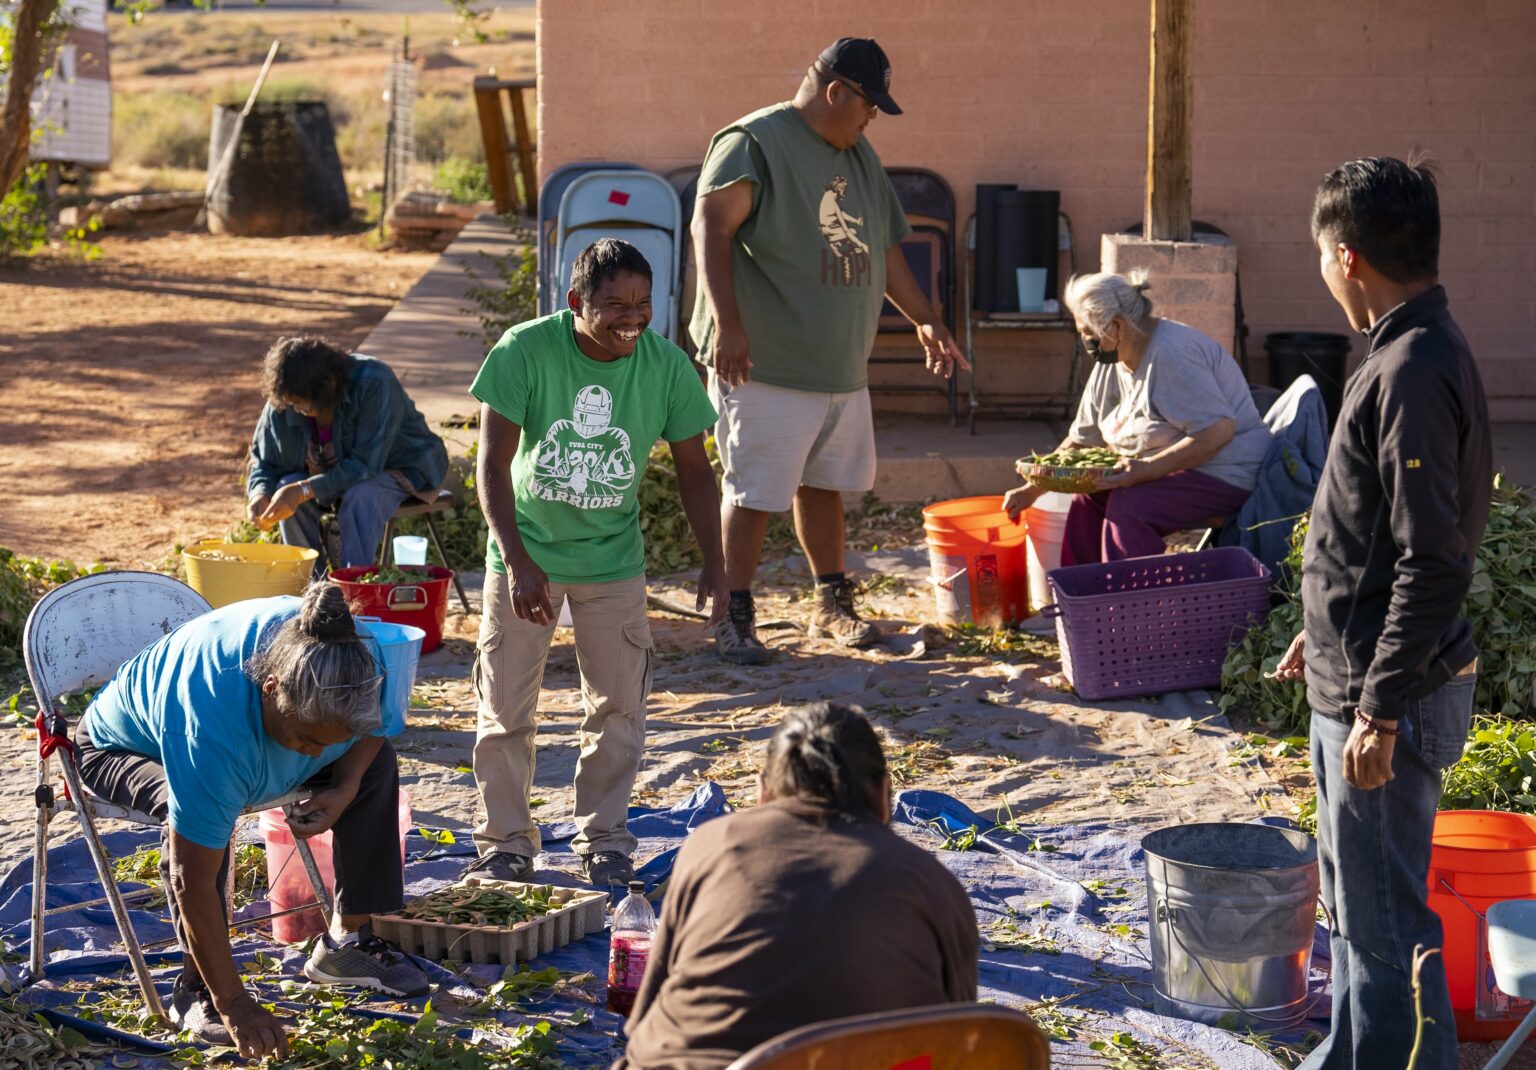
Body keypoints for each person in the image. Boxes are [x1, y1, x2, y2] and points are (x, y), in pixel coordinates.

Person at [1269, 157, 1492, 1070]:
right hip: (1359, 673)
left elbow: (1432, 559)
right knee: (1360, 906)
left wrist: (1379, 709)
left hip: (1389, 695)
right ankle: (1349, 1057)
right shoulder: (1407, 350)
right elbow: (1377, 540)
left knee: (1389, 915)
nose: (1322, 271)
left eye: (1322, 255)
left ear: (1347, 256)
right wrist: (1317, 628)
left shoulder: (1410, 368)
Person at [691, 36, 967, 665]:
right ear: (836, 90)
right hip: (764, 360)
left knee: (824, 485)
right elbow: (710, 225)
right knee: (756, 488)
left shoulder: (859, 156)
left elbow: (886, 249)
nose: (872, 119)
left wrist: (926, 319)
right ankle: (735, 613)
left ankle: (830, 603)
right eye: (869, 106)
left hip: (839, 363)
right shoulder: (754, 142)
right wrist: (729, 324)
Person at [74, 582, 428, 1061]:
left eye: (331, 740)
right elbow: (189, 878)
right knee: (200, 829)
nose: (316, 755)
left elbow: (377, 730)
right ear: (271, 689)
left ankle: (348, 941)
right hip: (122, 749)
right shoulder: (209, 728)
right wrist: (236, 1003)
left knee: (375, 767)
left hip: (242, 733)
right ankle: (197, 989)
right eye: (306, 738)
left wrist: (344, 786)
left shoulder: (357, 658)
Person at [466, 239, 724, 889]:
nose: (631, 318)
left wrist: (716, 563)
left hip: (613, 562)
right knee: (504, 711)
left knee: (618, 710)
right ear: (577, 302)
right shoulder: (524, 350)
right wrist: (519, 563)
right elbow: (492, 466)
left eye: (642, 304)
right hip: (525, 555)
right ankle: (505, 843)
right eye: (614, 305)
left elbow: (696, 472)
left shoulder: (664, 366)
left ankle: (604, 836)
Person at [615, 703, 979, 1070]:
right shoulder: (930, 880)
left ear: (762, 792)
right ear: (885, 797)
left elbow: (647, 1014)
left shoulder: (711, 845)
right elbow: (959, 1040)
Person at [1003, 272, 1271, 564]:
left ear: (1116, 326)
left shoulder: (1173, 354)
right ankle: (1082, 596)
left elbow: (1218, 431)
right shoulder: (1114, 360)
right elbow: (1081, 440)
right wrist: (1034, 486)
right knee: (1087, 497)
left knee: (1130, 506)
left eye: (1088, 333)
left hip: (1226, 471)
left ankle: (1128, 602)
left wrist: (1147, 469)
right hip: (1169, 471)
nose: (1085, 342)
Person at [246, 336, 449, 578]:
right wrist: (259, 492)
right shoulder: (285, 398)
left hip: (400, 468)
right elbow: (264, 460)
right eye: (292, 403)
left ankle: (354, 589)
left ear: (327, 386)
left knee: (360, 496)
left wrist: (302, 490)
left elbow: (366, 466)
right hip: (329, 475)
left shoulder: (374, 382)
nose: (297, 409)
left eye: (302, 403)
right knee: (284, 489)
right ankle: (312, 588)